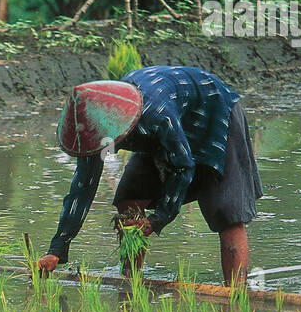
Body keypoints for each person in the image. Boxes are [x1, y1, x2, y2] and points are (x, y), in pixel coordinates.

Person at [36, 65, 262, 285]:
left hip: (212, 114)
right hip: (163, 127)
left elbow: (183, 166)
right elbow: (82, 188)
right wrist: (57, 248)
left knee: (226, 212)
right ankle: (130, 281)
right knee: (129, 199)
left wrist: (158, 219)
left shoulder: (154, 113)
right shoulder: (90, 128)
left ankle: (235, 295)